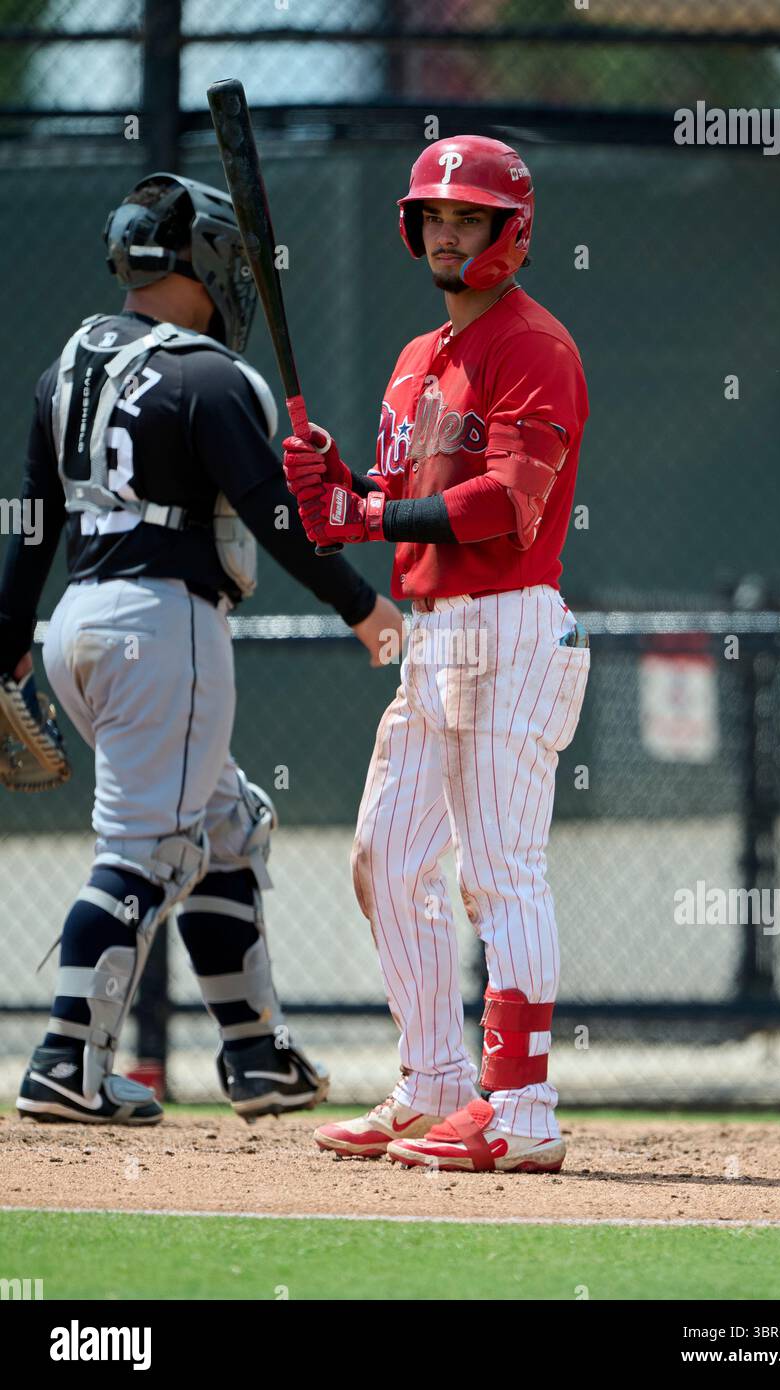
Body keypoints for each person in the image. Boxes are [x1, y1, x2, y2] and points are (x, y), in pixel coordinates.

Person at [0, 172, 401, 1125]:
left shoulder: (69, 370)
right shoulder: (208, 376)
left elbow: (29, 526)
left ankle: (256, 1055)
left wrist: (8, 644)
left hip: (77, 629)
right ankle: (67, 1058)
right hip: (164, 629)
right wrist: (363, 607)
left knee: (228, 826)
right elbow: (275, 515)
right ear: (207, 265)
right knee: (153, 847)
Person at [283, 136, 590, 1173]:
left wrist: (366, 514)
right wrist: (335, 480)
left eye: (468, 217)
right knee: (385, 856)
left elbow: (508, 503)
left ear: (512, 232)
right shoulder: (419, 358)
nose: (447, 232)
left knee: (499, 872)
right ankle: (436, 1082)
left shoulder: (533, 343)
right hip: (434, 636)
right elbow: (388, 491)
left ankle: (524, 1110)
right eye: (434, 217)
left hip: (509, 619)